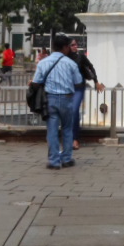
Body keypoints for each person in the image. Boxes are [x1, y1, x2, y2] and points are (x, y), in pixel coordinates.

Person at [32, 34, 83, 169]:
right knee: (67, 129)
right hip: (67, 98)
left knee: (52, 130)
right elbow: (78, 82)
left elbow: (36, 82)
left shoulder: (43, 62)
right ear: (65, 47)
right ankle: (66, 158)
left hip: (51, 99)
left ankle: (54, 161)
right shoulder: (71, 63)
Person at [67, 38, 104, 150]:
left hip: (78, 87)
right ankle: (69, 136)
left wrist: (96, 81)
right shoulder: (64, 58)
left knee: (74, 110)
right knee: (69, 112)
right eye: (72, 45)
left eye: (75, 45)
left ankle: (75, 139)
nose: (75, 47)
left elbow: (90, 67)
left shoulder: (80, 57)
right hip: (67, 88)